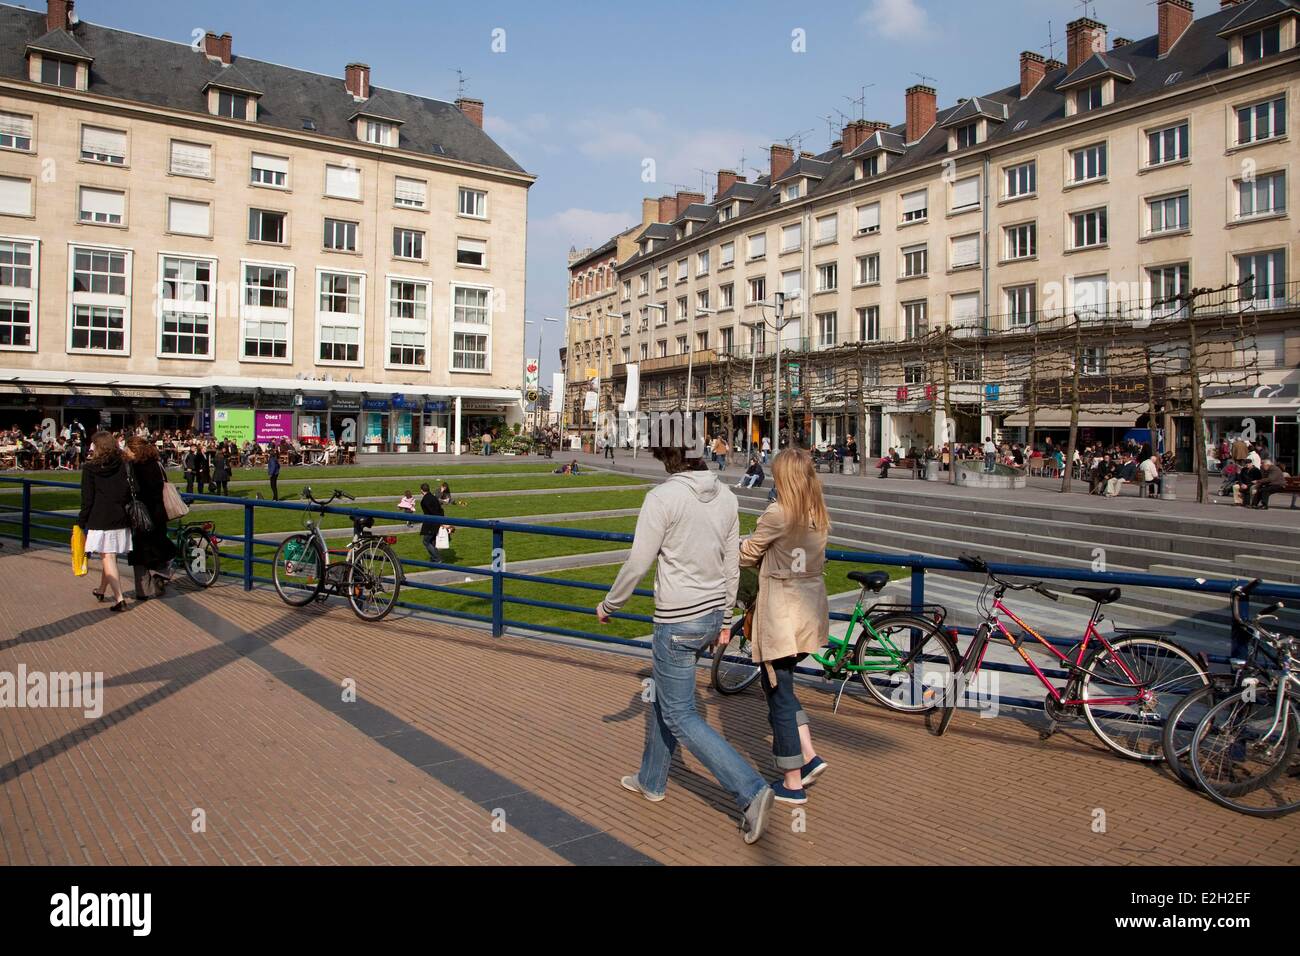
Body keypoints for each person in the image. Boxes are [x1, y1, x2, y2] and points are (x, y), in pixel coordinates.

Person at [596, 436, 775, 844]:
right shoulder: (727, 496)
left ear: (667, 457)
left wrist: (610, 604)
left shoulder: (662, 498)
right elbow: (732, 562)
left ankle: (750, 790)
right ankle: (651, 780)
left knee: (680, 714)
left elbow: (638, 561)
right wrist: (726, 618)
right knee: (668, 699)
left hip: (678, 620)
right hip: (712, 615)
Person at [740, 448, 830, 804]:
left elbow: (747, 554)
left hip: (781, 612)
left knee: (777, 690)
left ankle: (793, 782)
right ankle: (808, 755)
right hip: (808, 611)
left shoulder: (778, 513)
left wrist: (731, 547)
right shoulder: (817, 513)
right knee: (786, 684)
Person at [78, 431, 134, 612]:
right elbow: (128, 490)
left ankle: (119, 599)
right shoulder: (123, 464)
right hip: (119, 515)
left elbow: (87, 498)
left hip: (100, 517)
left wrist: (81, 520)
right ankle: (102, 590)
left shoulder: (90, 468)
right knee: (109, 556)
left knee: (108, 556)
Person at [125, 436, 178, 600]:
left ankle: (143, 590)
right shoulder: (156, 464)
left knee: (140, 551)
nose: (125, 451)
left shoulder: (133, 467)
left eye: (127, 448)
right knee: (159, 544)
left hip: (141, 514)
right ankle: (161, 574)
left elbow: (134, 490)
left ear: (134, 450)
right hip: (158, 512)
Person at [419, 482, 445, 562]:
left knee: (426, 541)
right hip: (437, 521)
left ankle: (437, 558)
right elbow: (440, 510)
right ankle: (434, 558)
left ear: (421, 491)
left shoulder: (424, 500)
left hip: (431, 523)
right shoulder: (433, 497)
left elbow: (431, 512)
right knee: (432, 541)